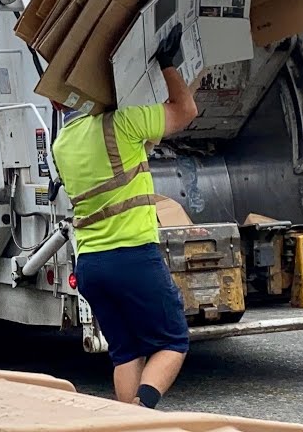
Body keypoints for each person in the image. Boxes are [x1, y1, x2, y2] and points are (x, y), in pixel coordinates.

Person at [51, 23, 200, 409]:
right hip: (133, 257)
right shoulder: (125, 123)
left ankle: (122, 420)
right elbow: (185, 111)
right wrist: (169, 64)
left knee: (125, 351)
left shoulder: (61, 144)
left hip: (92, 266)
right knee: (172, 342)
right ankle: (141, 414)